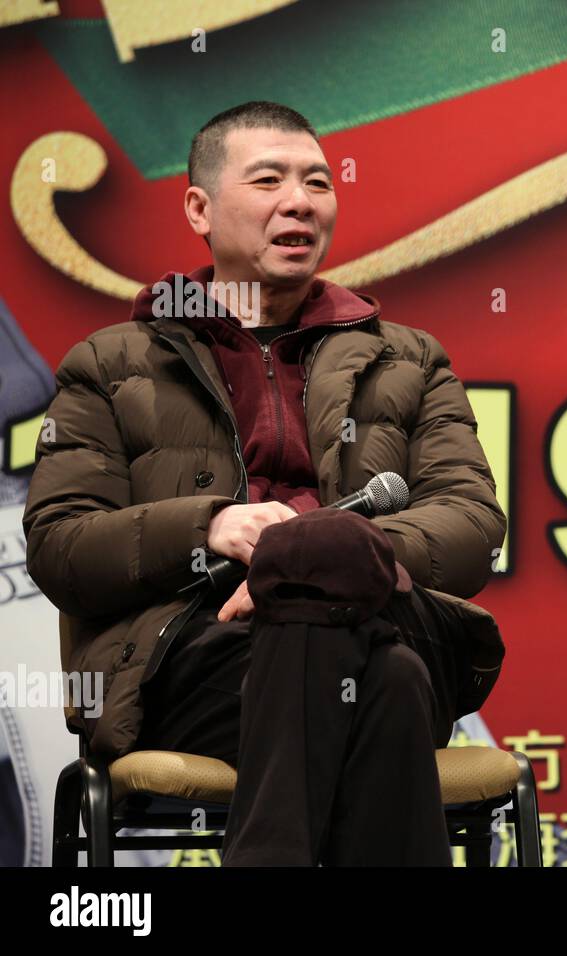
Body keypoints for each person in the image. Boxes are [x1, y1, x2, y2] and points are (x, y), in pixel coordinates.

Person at [23, 101, 507, 866]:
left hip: (396, 613)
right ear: (200, 208)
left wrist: (313, 559)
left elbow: (473, 523)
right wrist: (208, 527)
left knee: (325, 628)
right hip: (197, 653)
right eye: (270, 180)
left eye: (318, 181)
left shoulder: (410, 359)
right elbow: (60, 545)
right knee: (388, 686)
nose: (301, 201)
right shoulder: (111, 364)